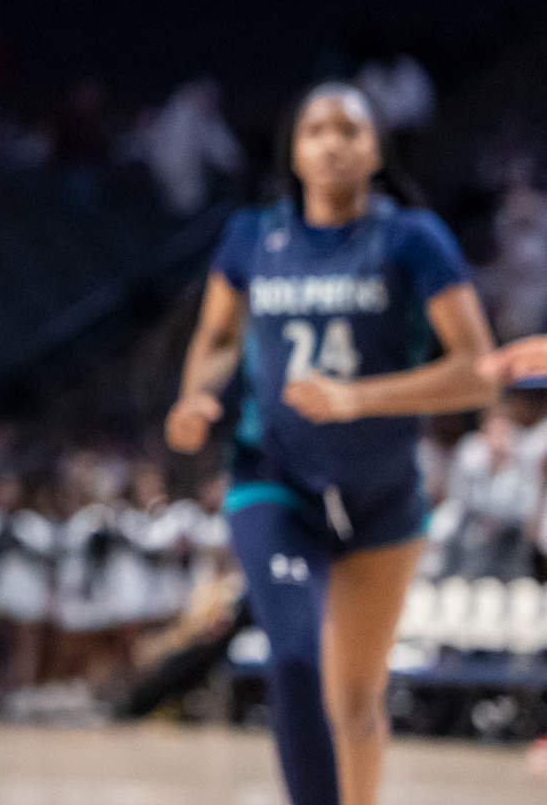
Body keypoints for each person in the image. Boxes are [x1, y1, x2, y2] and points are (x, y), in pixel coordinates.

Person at [165, 82, 495, 805]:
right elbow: (217, 337)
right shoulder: (253, 237)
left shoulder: (413, 238)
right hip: (274, 478)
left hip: (383, 492)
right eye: (316, 129)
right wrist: (195, 396)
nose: (332, 142)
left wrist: (359, 398)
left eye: (350, 128)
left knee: (355, 701)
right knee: (293, 659)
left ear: (377, 150)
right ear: (294, 150)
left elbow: (479, 372)